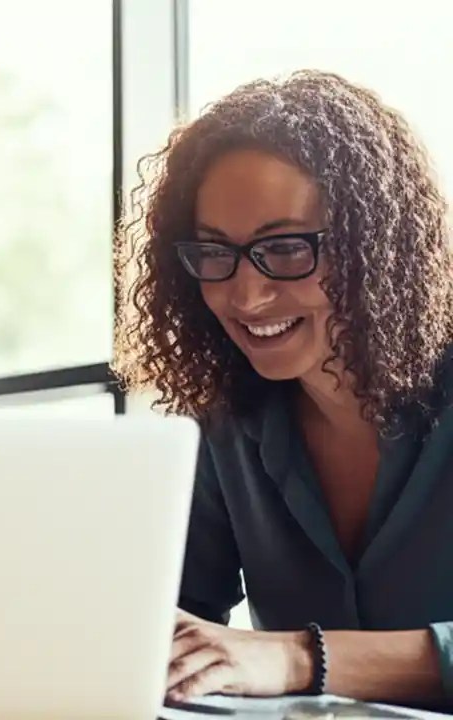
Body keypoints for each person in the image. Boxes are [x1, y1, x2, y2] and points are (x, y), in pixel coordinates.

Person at [114, 70, 453, 706]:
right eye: (215, 254)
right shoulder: (228, 422)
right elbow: (170, 617)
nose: (244, 294)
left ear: (374, 247)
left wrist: (301, 657)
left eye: (287, 248)